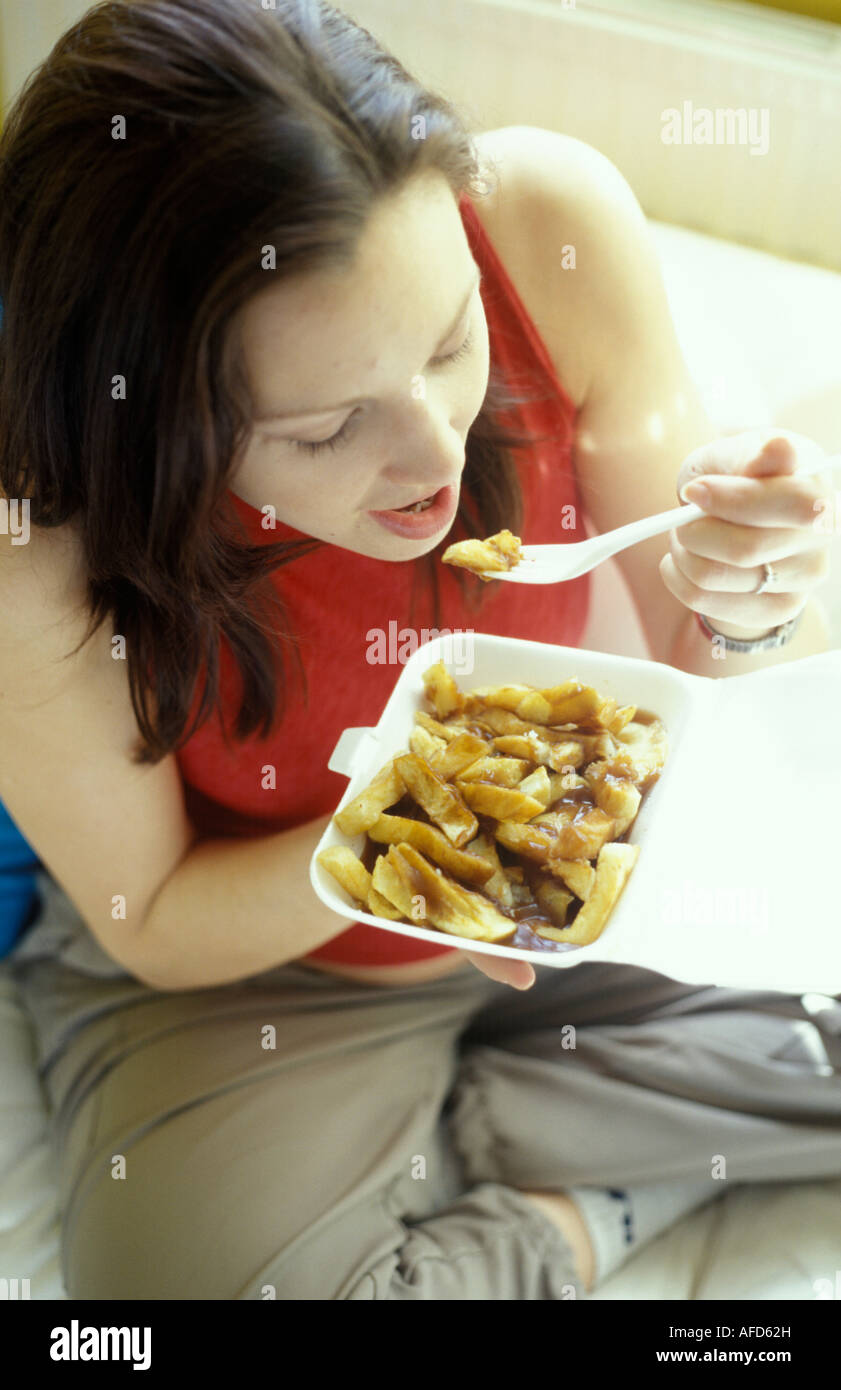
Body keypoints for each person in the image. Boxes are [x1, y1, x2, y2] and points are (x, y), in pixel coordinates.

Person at [0, 0, 838, 1300]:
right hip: (254, 968)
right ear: (157, 425)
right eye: (329, 427)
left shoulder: (545, 222)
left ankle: (506, 1108)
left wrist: (749, 588)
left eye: (454, 342)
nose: (438, 453)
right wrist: (419, 828)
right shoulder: (39, 546)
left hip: (580, 890)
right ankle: (590, 1175)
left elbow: (689, 649)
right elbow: (154, 916)